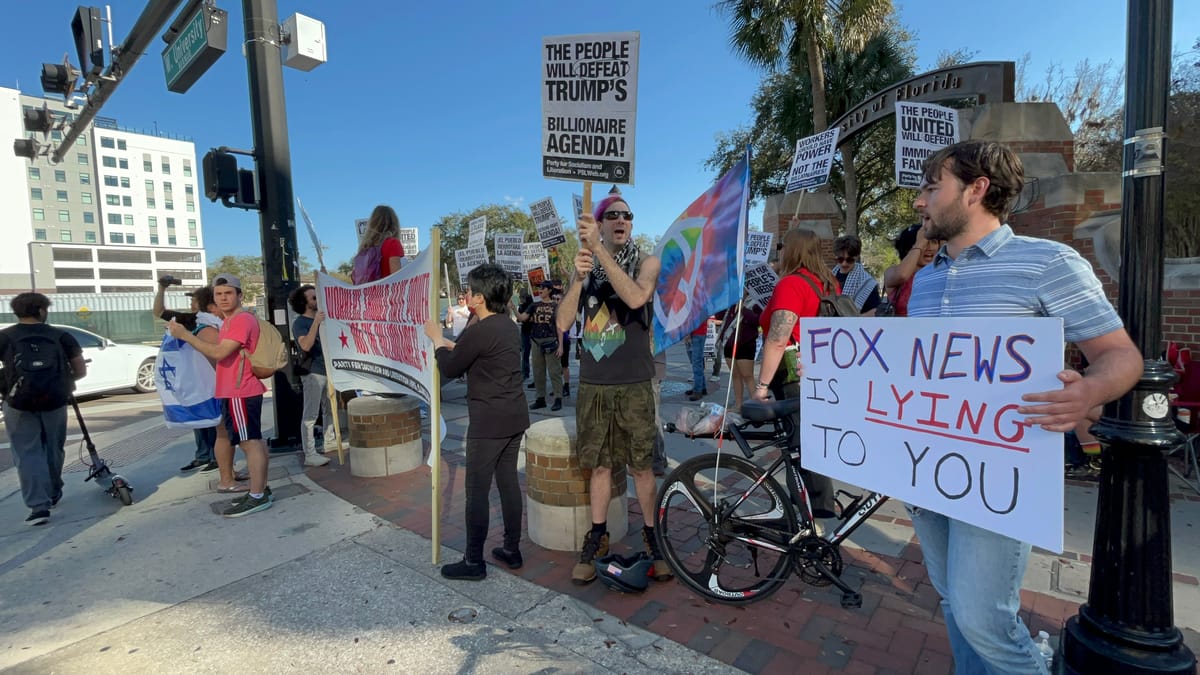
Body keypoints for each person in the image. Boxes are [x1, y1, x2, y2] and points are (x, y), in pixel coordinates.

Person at [908, 140, 1142, 674]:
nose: (921, 202)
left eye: (931, 187)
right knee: (952, 602)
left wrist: (1086, 391)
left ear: (976, 189)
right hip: (928, 468)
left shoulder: (1048, 262)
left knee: (984, 618)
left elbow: (1120, 357)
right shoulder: (927, 279)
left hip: (1001, 474)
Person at [556, 195, 672, 584]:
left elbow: (637, 296)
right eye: (614, 215)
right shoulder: (586, 264)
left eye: (628, 215)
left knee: (642, 468)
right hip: (594, 383)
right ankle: (598, 536)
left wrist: (598, 253)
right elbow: (563, 320)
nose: (622, 220)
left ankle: (654, 540)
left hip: (635, 384)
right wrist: (577, 276)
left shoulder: (647, 262)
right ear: (601, 222)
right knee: (600, 466)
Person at [424, 263, 530, 581]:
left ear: (479, 298)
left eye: (469, 291)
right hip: (514, 416)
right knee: (508, 483)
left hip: (489, 422)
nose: (466, 295)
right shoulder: (508, 325)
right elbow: (481, 355)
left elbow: (452, 368)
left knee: (477, 491)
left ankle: (473, 561)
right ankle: (512, 548)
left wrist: (436, 340)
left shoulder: (481, 329)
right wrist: (454, 345)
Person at [168, 273, 275, 517]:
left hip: (240, 390)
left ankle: (258, 495)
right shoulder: (230, 321)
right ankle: (259, 491)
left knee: (250, 443)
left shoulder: (239, 321)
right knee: (251, 441)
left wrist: (185, 335)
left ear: (240, 295)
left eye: (229, 293)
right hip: (236, 390)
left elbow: (220, 353)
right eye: (219, 294)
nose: (224, 298)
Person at [751, 227, 839, 523]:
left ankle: (803, 517)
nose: (778, 251)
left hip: (792, 374)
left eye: (782, 246)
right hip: (821, 372)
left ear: (791, 250)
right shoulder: (828, 282)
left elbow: (778, 338)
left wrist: (761, 386)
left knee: (798, 446)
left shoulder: (791, 284)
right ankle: (819, 510)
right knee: (813, 444)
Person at [0, 293, 86, 526]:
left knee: (27, 453)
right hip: (54, 400)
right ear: (41, 311)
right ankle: (54, 490)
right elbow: (80, 369)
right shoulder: (60, 336)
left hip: (17, 402)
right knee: (54, 448)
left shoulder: (5, 337)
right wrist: (62, 381)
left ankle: (38, 506)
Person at [154, 279, 222, 474]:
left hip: (210, 376)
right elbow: (159, 311)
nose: (192, 303)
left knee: (216, 421)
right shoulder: (189, 320)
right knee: (198, 417)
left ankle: (217, 457)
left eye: (195, 300)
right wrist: (162, 288)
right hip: (194, 378)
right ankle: (203, 455)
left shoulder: (213, 323)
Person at [289, 284, 334, 468]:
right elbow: (305, 345)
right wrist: (315, 322)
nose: (317, 300)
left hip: (327, 369)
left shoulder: (323, 319)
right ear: (304, 302)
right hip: (313, 372)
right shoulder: (300, 323)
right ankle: (310, 452)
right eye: (313, 298)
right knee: (311, 413)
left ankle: (329, 439)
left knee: (330, 408)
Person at [882, 223, 941, 317]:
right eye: (924, 243)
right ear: (907, 248)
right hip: (904, 330)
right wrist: (919, 245)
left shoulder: (941, 273)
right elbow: (902, 275)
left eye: (933, 242)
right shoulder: (892, 272)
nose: (929, 248)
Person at [721, 296, 761, 413]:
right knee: (735, 375)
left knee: (747, 376)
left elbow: (758, 320)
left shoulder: (755, 301)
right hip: (729, 342)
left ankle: (756, 406)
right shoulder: (732, 300)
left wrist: (744, 310)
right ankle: (738, 405)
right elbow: (722, 317)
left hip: (745, 342)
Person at [528, 280, 563, 411]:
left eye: (542, 288)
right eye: (539, 288)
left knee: (554, 371)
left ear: (549, 290)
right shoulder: (534, 305)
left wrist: (561, 346)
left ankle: (558, 398)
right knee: (538, 372)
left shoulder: (555, 306)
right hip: (536, 341)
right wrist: (512, 307)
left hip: (551, 340)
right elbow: (522, 318)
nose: (540, 290)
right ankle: (540, 399)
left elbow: (559, 326)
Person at [831, 234, 881, 315]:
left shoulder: (867, 283)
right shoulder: (828, 277)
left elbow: (874, 312)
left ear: (856, 257)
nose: (844, 264)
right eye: (840, 259)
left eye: (849, 260)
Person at [357, 204, 405, 281]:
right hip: (388, 291)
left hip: (370, 292)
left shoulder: (365, 247)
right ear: (394, 223)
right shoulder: (393, 243)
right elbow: (397, 278)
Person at [684, 320, 708, 401]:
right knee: (697, 361)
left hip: (697, 332)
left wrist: (688, 332)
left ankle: (698, 390)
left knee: (696, 362)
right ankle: (701, 387)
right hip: (698, 332)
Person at [516, 290, 535, 383]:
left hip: (531, 330)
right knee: (525, 353)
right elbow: (520, 319)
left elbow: (530, 318)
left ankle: (526, 373)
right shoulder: (522, 306)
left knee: (530, 354)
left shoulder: (531, 304)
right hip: (526, 331)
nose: (521, 300)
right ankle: (525, 373)